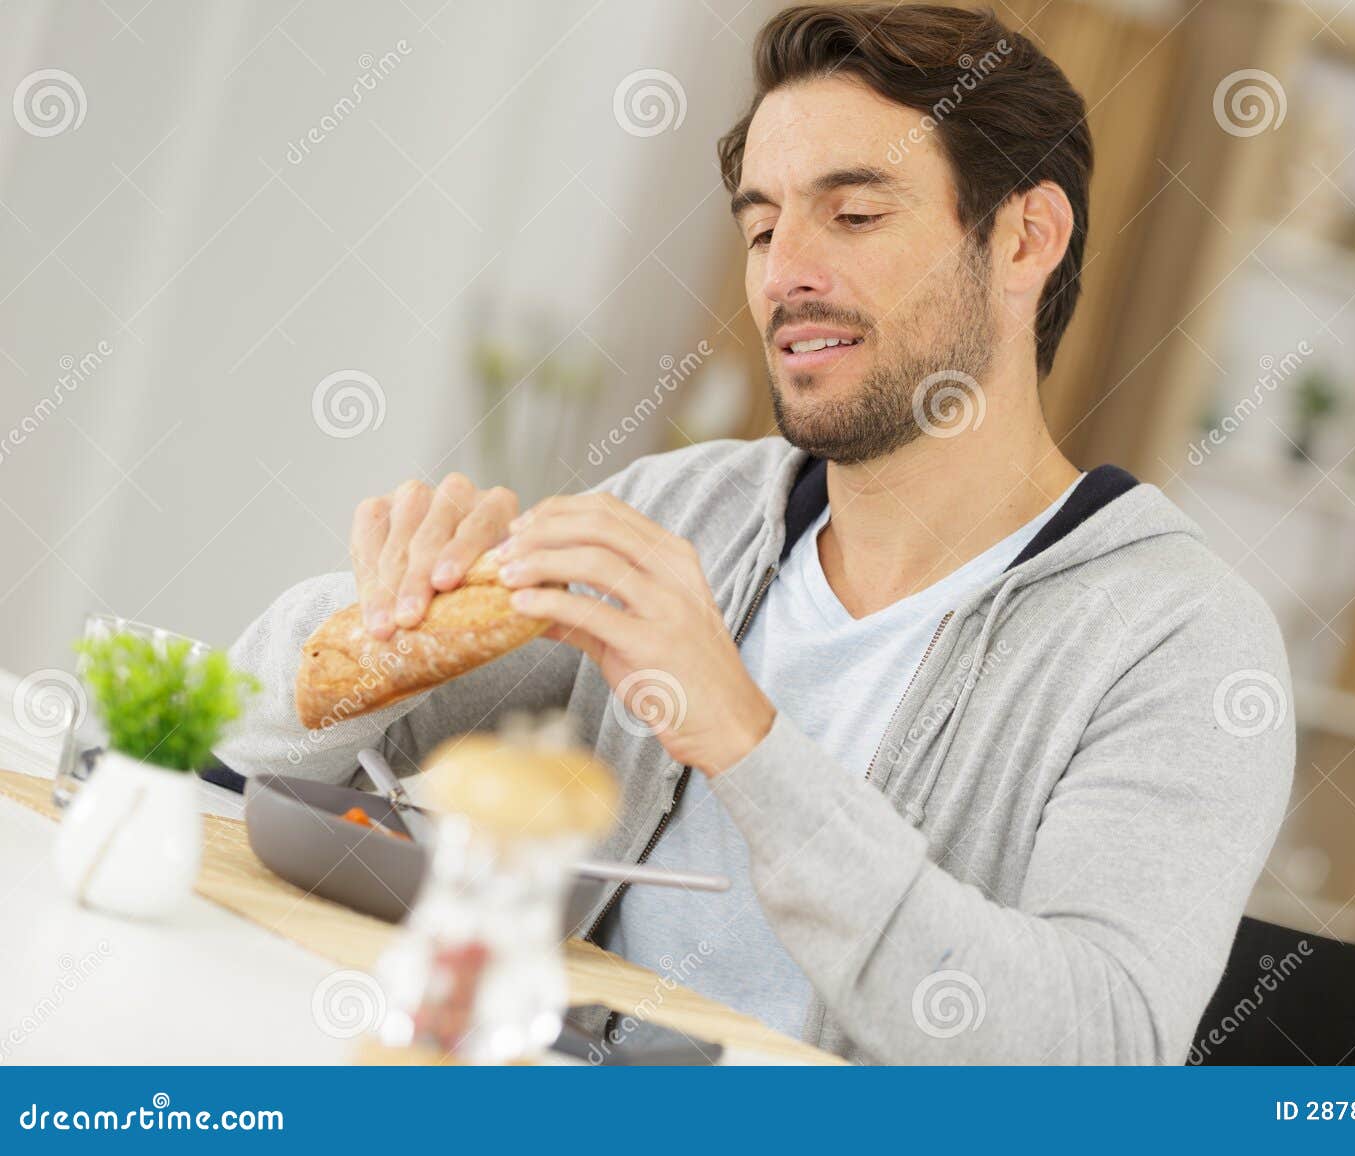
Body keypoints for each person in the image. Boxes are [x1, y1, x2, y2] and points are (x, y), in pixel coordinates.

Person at [220, 3, 1294, 1064]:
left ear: (1025, 238)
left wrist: (743, 733)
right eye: (764, 225)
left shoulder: (1177, 642)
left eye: (854, 215)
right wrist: (379, 627)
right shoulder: (686, 511)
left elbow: (1095, 1054)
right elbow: (239, 748)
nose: (784, 274)